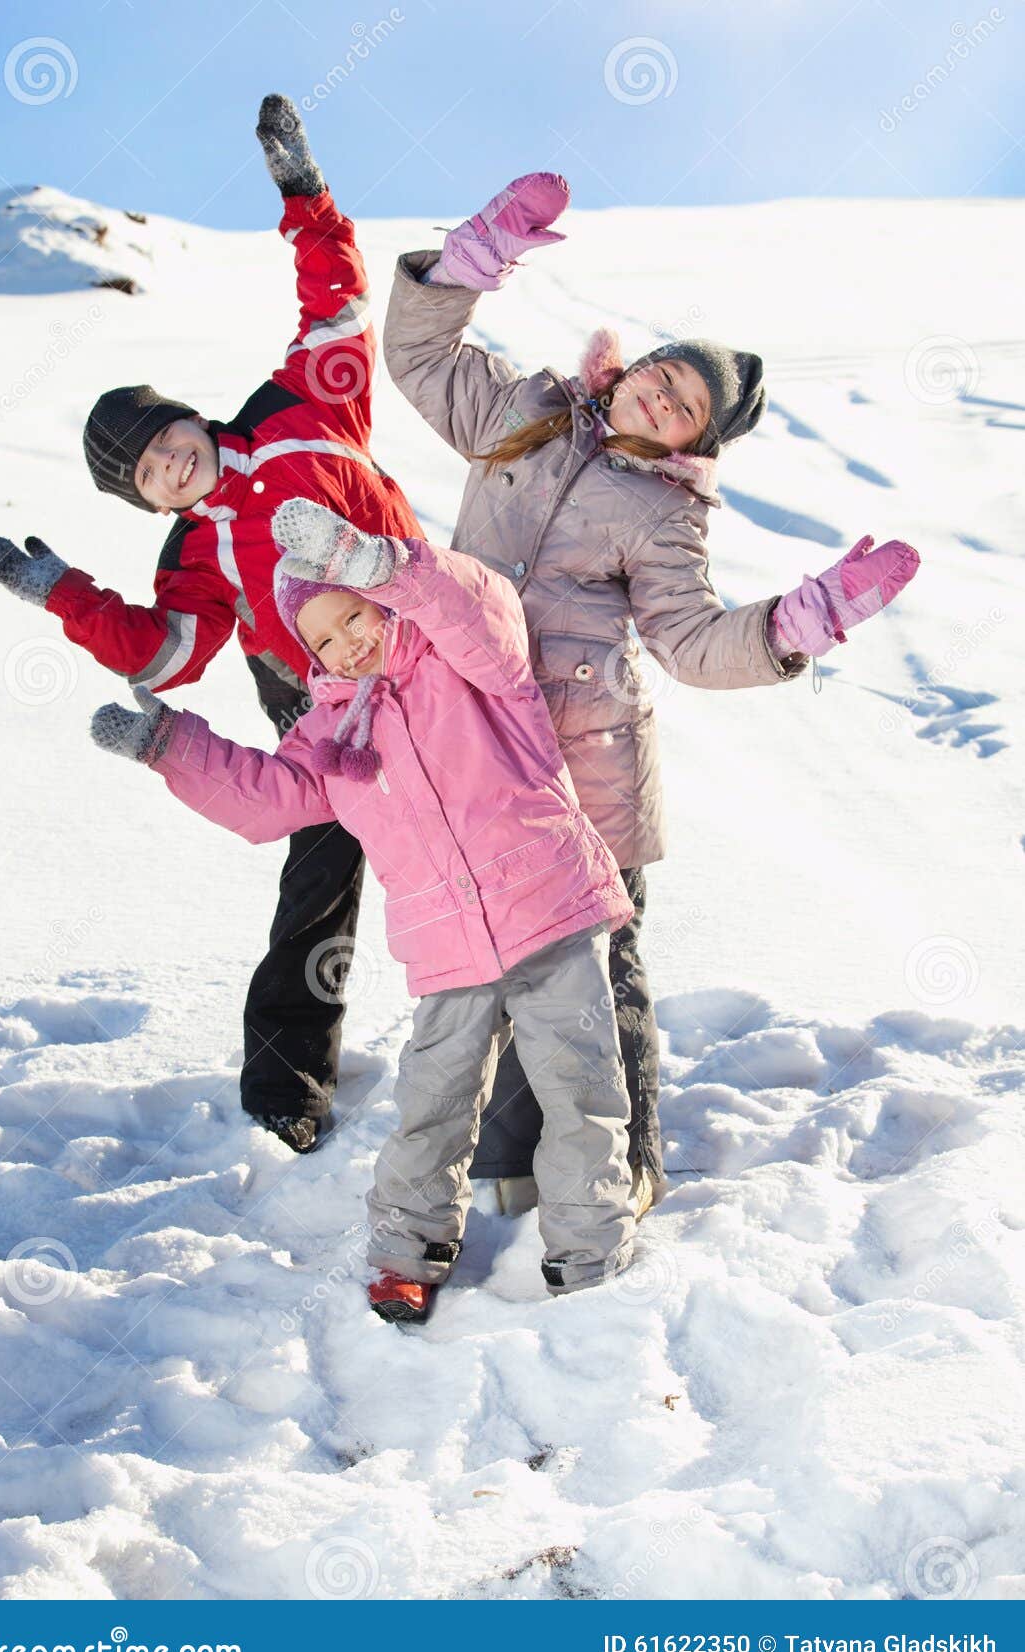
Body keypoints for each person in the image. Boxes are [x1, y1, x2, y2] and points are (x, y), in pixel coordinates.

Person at [381, 172, 920, 1217]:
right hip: (470, 736)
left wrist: (793, 625)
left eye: (682, 409)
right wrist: (462, 268)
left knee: (600, 962)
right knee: (489, 948)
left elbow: (685, 637)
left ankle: (625, 1168)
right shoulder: (522, 411)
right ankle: (511, 1166)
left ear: (690, 444)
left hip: (585, 753)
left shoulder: (663, 513)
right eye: (663, 376)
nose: (661, 399)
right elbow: (416, 358)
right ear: (633, 367)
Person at [0, 95, 423, 1154]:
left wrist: (302, 191)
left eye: (162, 438)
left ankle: (531, 1037)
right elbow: (163, 654)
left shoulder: (298, 408)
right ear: (151, 501)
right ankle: (285, 1086)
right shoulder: (193, 552)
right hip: (315, 696)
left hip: (424, 637)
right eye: (144, 476)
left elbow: (334, 299)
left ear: (186, 415)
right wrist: (63, 593)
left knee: (486, 826)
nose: (167, 462)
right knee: (320, 864)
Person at [88, 498, 639, 1322]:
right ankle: (405, 1253)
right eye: (324, 638)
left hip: (551, 909)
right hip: (448, 944)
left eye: (354, 616)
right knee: (432, 1103)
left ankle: (588, 1248)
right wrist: (173, 748)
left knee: (581, 1088)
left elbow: (472, 601)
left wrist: (379, 561)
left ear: (377, 600)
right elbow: (269, 799)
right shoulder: (331, 731)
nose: (348, 642)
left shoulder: (471, 666)